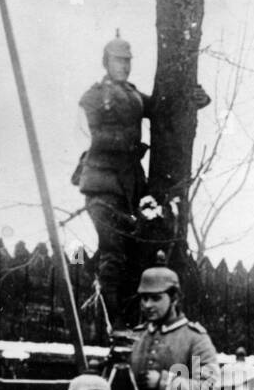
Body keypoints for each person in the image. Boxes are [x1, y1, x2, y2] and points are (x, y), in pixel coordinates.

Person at [75, 38, 210, 327]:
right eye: (117, 60)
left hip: (129, 187)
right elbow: (97, 136)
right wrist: (131, 145)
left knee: (129, 253)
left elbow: (162, 109)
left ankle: (120, 317)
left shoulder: (134, 96)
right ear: (106, 63)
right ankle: (112, 325)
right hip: (102, 184)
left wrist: (193, 99)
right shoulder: (95, 96)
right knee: (113, 252)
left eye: (127, 61)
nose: (123, 66)